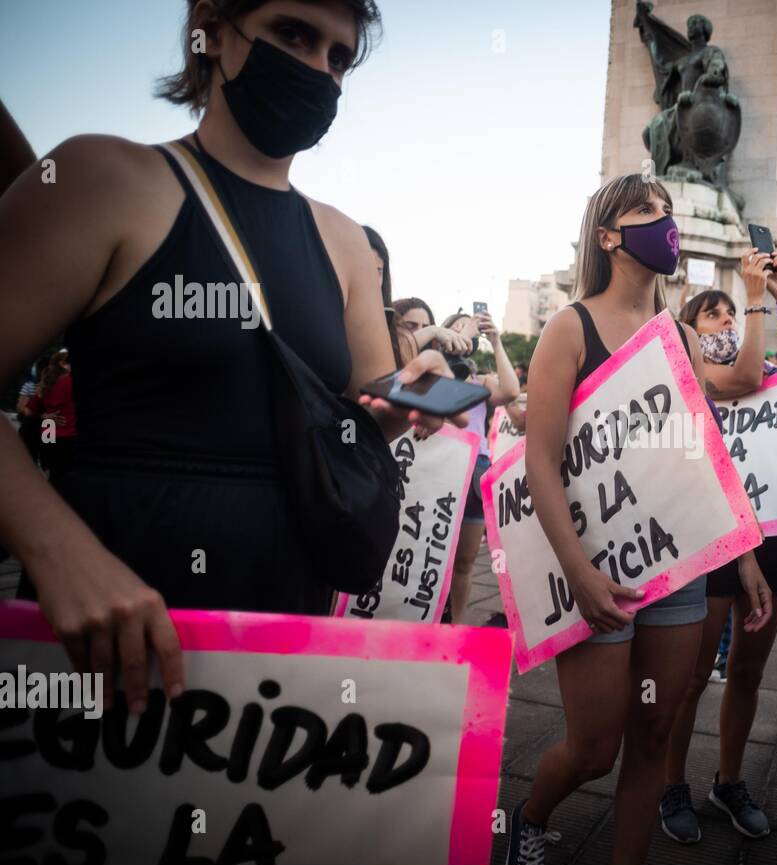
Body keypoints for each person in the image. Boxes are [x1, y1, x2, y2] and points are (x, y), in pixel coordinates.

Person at [0, 0, 453, 715]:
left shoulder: (342, 242)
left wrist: (409, 401)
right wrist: (60, 555)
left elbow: (357, 421)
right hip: (112, 616)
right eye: (292, 33)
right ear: (211, 30)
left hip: (282, 626)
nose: (318, 70)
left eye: (339, 57)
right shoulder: (100, 179)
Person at [505, 173, 772, 865]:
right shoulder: (571, 327)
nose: (667, 221)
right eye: (649, 211)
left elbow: (704, 452)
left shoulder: (681, 337)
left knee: (654, 733)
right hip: (593, 570)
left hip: (675, 570)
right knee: (595, 748)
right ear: (608, 236)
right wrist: (579, 572)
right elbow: (540, 460)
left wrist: (743, 550)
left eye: (668, 210)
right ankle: (529, 817)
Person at [660, 248, 777, 844]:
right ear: (691, 329)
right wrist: (752, 300)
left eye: (731, 314)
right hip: (709, 537)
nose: (726, 322)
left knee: (748, 671)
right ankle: (671, 784)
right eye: (714, 315)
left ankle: (728, 780)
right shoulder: (697, 372)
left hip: (766, 536)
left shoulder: (765, 361)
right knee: (693, 677)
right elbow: (745, 377)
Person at [440, 309, 519, 624]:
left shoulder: (479, 381)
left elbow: (511, 391)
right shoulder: (431, 372)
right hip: (438, 468)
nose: (466, 332)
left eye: (470, 328)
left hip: (474, 470)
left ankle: (456, 626)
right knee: (434, 555)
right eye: (458, 328)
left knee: (464, 562)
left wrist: (496, 341)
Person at [27, 350, 77, 484]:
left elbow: (28, 410)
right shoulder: (71, 382)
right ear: (63, 364)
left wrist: (44, 415)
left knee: (52, 475)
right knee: (66, 478)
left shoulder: (46, 383)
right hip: (67, 434)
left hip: (47, 431)